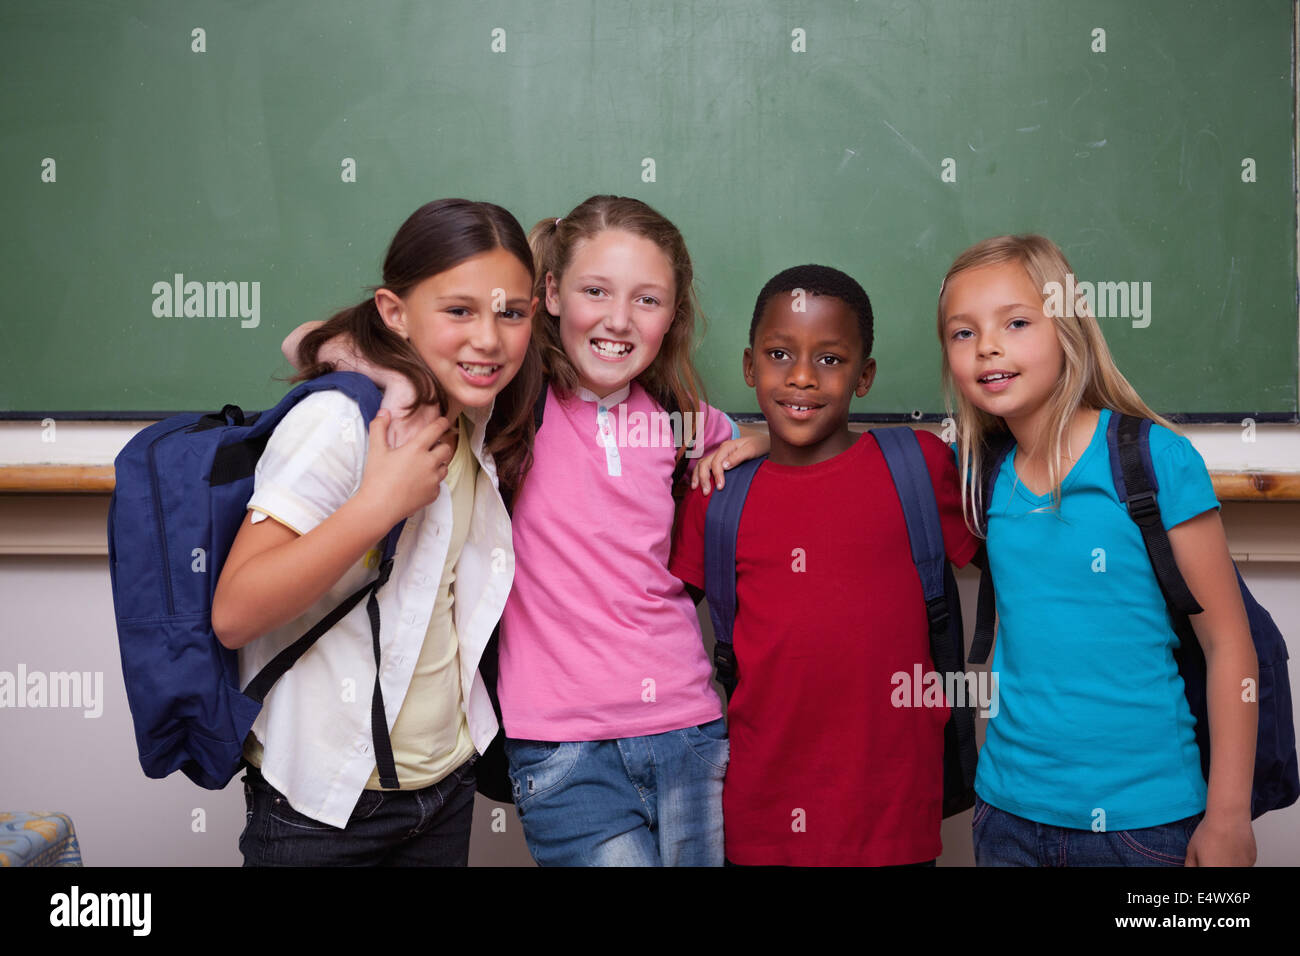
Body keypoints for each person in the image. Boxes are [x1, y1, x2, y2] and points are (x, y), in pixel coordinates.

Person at [211, 198, 542, 866]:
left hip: (443, 792)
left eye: (512, 312)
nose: (489, 337)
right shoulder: (338, 422)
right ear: (395, 313)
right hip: (325, 811)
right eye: (459, 310)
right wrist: (377, 505)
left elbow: (311, 336)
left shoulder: (470, 418)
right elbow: (235, 612)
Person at [938, 233, 1257, 866]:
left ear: (1069, 329)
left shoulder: (1152, 460)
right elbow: (858, 467)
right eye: (962, 333)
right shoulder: (979, 474)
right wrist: (767, 446)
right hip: (1006, 817)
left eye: (1017, 322)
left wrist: (1227, 817)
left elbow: (1229, 644)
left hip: (1145, 828)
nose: (988, 347)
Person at [670, 264, 978, 866]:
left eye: (831, 360)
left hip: (893, 822)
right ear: (748, 366)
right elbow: (651, 624)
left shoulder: (919, 466)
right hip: (759, 825)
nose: (803, 377)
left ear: (864, 376)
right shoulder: (718, 493)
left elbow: (1023, 502)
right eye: (780, 354)